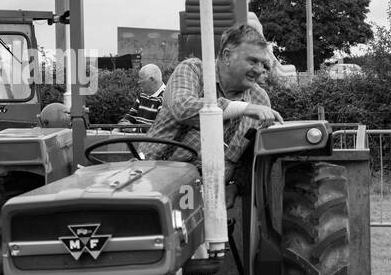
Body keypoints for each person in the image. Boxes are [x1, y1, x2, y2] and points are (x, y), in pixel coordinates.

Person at [141, 22, 283, 174]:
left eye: (262, 63)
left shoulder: (260, 99)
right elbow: (182, 108)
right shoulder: (194, 70)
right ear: (227, 56)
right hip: (155, 174)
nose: (259, 70)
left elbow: (251, 160)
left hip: (216, 187)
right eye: (253, 61)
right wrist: (242, 108)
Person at [117, 63, 166, 129]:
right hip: (139, 138)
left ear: (151, 79)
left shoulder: (165, 97)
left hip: (149, 139)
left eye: (141, 78)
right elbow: (130, 116)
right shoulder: (143, 95)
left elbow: (159, 128)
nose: (138, 82)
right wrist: (118, 128)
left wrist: (133, 129)